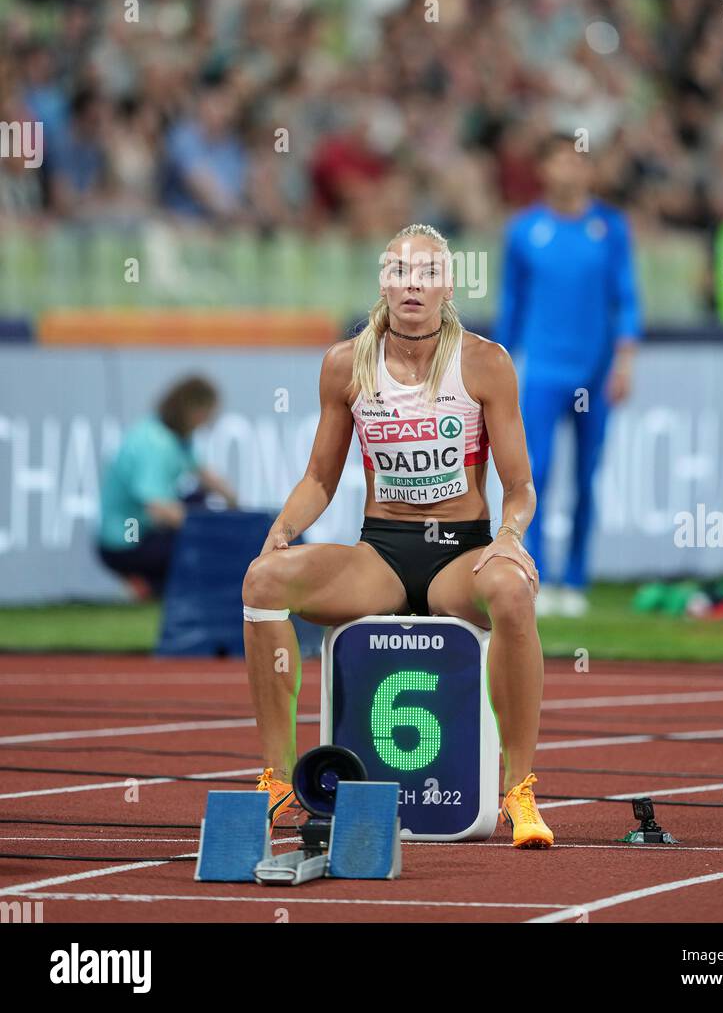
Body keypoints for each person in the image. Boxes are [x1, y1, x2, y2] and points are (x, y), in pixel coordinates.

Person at [242, 223, 553, 849]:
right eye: (400, 272)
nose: (413, 285)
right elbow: (319, 480)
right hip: (380, 554)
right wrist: (282, 529)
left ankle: (520, 788)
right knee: (263, 581)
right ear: (382, 283)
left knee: (513, 592)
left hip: (460, 556)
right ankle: (276, 777)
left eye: (427, 273)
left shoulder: (485, 363)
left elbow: (520, 485)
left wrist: (511, 534)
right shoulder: (344, 364)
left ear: (448, 285)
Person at [494, 132, 641, 616]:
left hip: (595, 373)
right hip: (541, 371)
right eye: (556, 161)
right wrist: (499, 366)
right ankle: (531, 573)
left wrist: (624, 361)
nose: (566, 170)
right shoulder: (524, 231)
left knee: (587, 475)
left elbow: (627, 298)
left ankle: (574, 578)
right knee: (532, 476)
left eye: (575, 161)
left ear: (588, 170)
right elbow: (511, 305)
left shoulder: (609, 227)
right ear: (543, 171)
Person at [97, 376, 236, 598]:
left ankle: (151, 584)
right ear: (193, 410)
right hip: (125, 545)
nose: (208, 422)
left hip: (141, 533)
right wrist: (208, 531)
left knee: (198, 502)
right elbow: (158, 508)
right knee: (197, 544)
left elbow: (204, 474)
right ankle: (149, 585)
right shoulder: (156, 444)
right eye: (208, 414)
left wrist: (233, 503)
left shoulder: (172, 434)